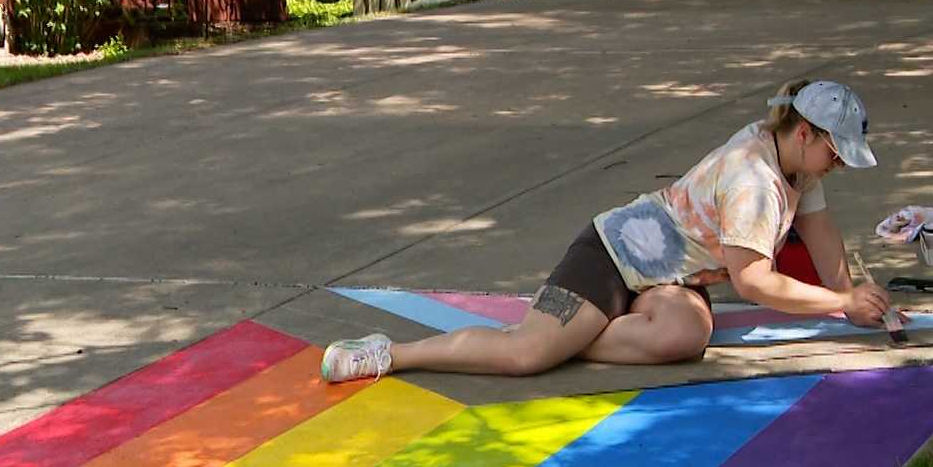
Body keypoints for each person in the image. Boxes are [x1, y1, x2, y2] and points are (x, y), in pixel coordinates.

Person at [320, 79, 894, 382]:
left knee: (684, 340)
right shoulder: (755, 182)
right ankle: (391, 355)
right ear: (803, 133)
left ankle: (565, 340)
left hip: (673, 276)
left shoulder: (793, 163)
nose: (837, 164)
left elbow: (822, 236)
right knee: (523, 356)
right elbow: (754, 283)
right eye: (835, 152)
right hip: (618, 254)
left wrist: (853, 300)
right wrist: (838, 300)